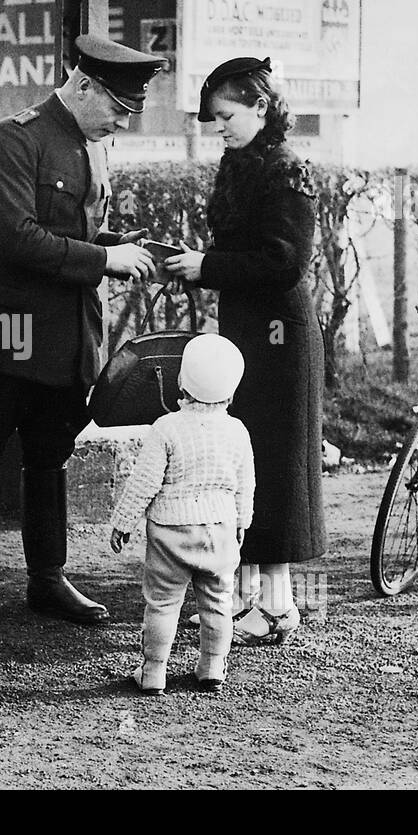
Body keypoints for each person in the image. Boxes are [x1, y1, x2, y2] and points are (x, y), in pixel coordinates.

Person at [0, 35, 165, 637]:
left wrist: (120, 248)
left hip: (67, 339)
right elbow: (16, 237)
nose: (122, 120)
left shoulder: (93, 146)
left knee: (50, 457)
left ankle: (47, 576)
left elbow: (77, 232)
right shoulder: (16, 138)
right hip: (7, 334)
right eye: (116, 105)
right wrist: (102, 262)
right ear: (83, 85)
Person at [163, 56, 326, 645]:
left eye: (227, 116)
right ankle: (250, 597)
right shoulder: (245, 163)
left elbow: (286, 262)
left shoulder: (287, 169)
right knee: (248, 462)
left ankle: (280, 605)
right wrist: (200, 263)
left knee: (277, 464)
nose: (219, 128)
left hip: (281, 337)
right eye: (213, 119)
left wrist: (206, 267)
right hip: (247, 331)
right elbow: (246, 249)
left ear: (261, 107)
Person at [108, 333, 254, 695]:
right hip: (219, 528)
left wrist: (123, 523)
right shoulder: (237, 431)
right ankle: (212, 667)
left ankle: (154, 672)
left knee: (161, 603)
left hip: (170, 531)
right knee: (218, 603)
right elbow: (245, 483)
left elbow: (144, 483)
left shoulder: (166, 428)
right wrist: (242, 521)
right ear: (231, 393)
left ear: (180, 381)